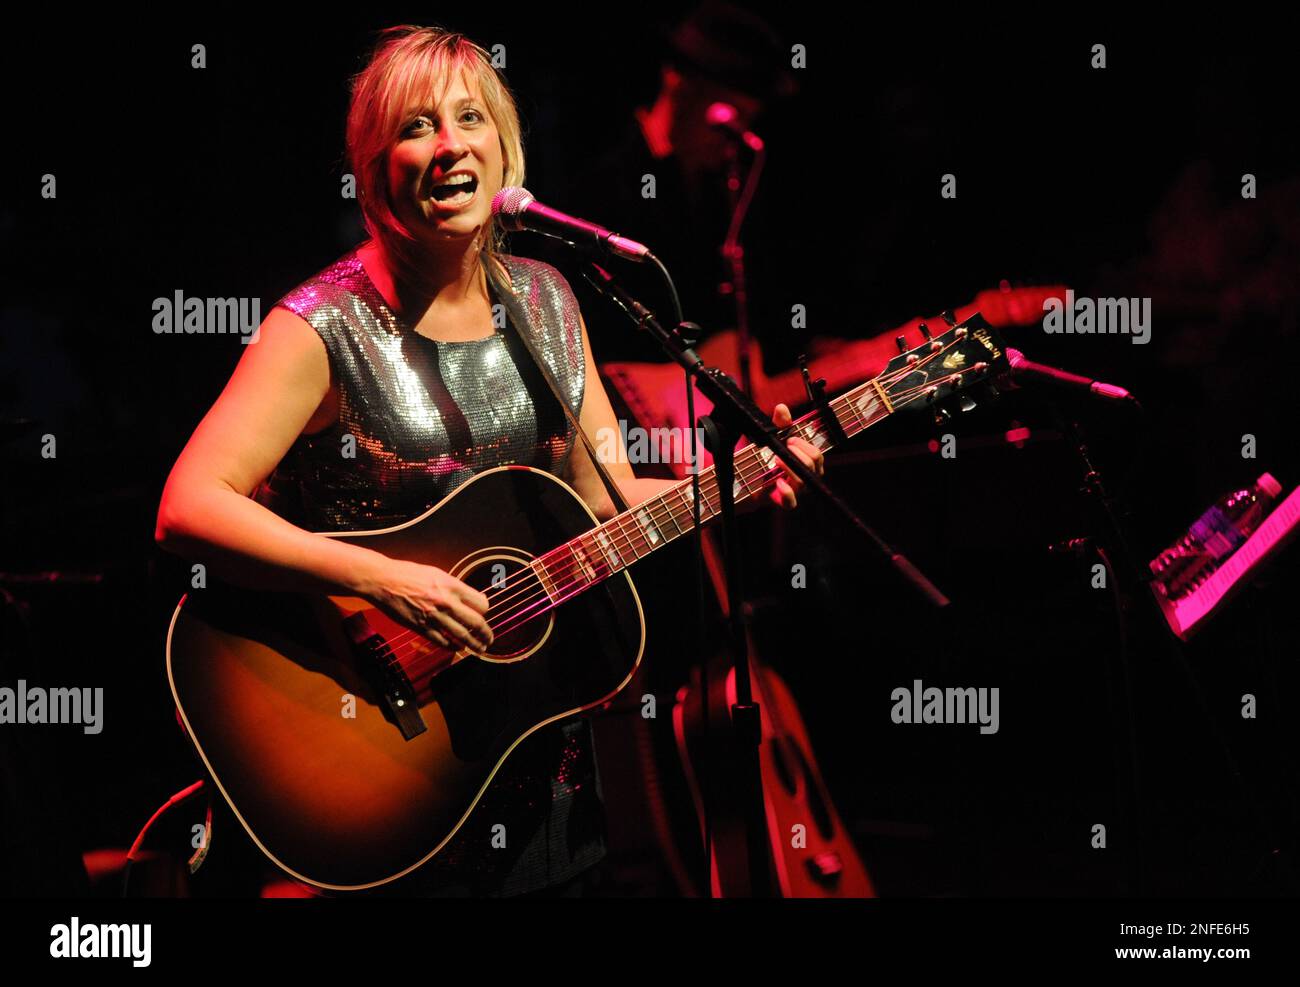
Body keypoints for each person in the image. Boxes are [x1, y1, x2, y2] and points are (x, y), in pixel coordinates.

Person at [154, 24, 824, 897]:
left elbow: (609, 500)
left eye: (470, 119)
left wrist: (740, 485)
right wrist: (382, 578)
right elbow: (188, 505)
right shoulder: (319, 328)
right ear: (371, 167)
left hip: (537, 765)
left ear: (505, 150)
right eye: (416, 126)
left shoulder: (547, 301)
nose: (449, 145)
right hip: (377, 761)